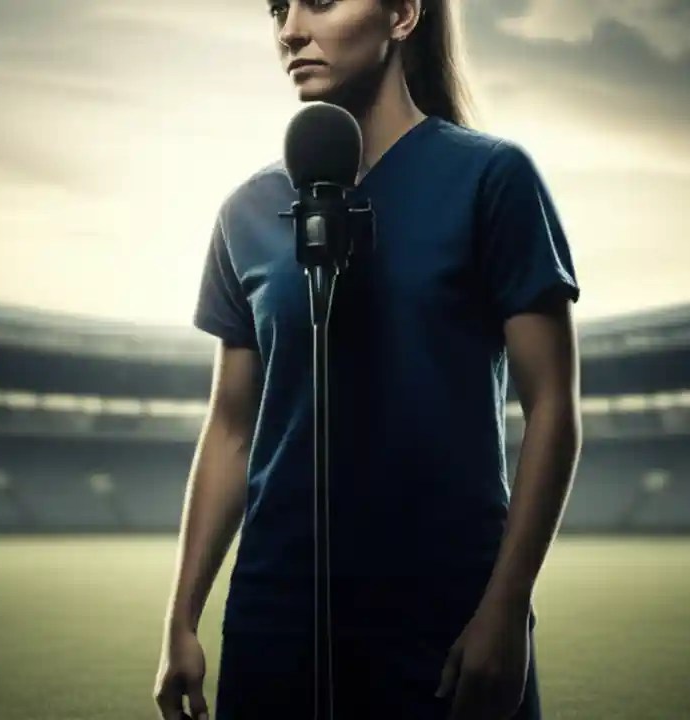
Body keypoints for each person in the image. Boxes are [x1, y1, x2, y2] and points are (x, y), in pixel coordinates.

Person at [155, 1, 582, 718]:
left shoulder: (493, 181)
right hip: (274, 619)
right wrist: (181, 619)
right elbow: (231, 428)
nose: (291, 29)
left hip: (446, 620)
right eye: (278, 7)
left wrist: (506, 609)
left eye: (320, 0)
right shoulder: (246, 214)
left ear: (404, 14)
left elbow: (552, 410)